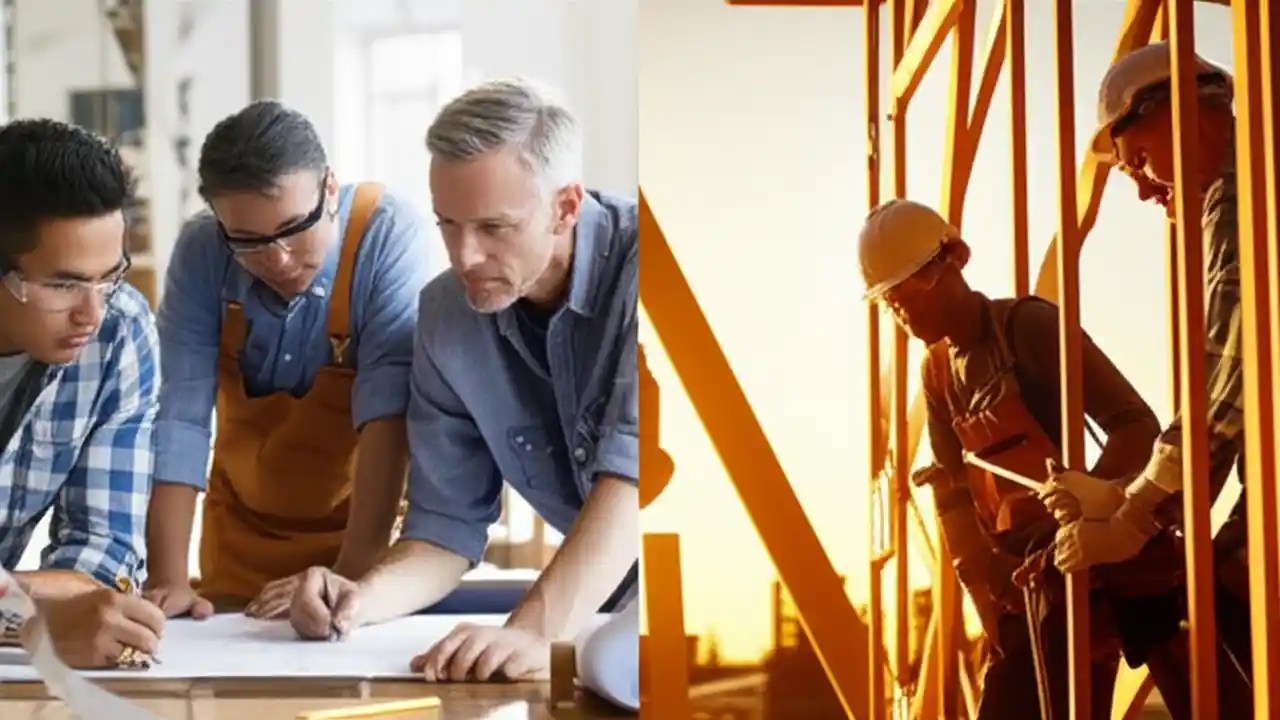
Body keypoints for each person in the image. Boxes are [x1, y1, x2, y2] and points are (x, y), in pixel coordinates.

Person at [288, 78, 639, 686]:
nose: (464, 255)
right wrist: (359, 600)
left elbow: (636, 481)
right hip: (610, 609)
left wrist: (533, 629)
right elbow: (443, 531)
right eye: (447, 224)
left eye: (494, 228)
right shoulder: (447, 318)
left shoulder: (655, 271)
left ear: (566, 206)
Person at [859, 198, 1193, 719]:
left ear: (953, 260)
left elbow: (1136, 424)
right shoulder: (938, 375)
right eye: (890, 300)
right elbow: (954, 495)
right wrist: (986, 595)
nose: (903, 308)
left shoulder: (1029, 329)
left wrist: (1095, 498)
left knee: (1204, 696)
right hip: (1031, 587)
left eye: (910, 288)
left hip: (1108, 565)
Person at [142, 100, 432, 619]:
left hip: (363, 535)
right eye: (248, 241)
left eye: (295, 227)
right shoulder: (203, 250)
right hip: (241, 535)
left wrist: (348, 580)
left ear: (329, 189)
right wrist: (166, 580)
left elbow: (386, 420)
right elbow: (180, 419)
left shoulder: (387, 234)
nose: (276, 259)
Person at [1039, 41, 1255, 710]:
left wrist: (1131, 516)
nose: (1137, 188)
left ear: (1180, 111)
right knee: (1216, 582)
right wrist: (1132, 498)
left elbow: (1227, 392)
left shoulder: (1238, 193)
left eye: (1137, 161)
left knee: (1217, 588)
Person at [0, 118, 165, 668]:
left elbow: (105, 557)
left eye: (109, 276)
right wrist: (29, 619)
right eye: (64, 284)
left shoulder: (120, 332)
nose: (91, 314)